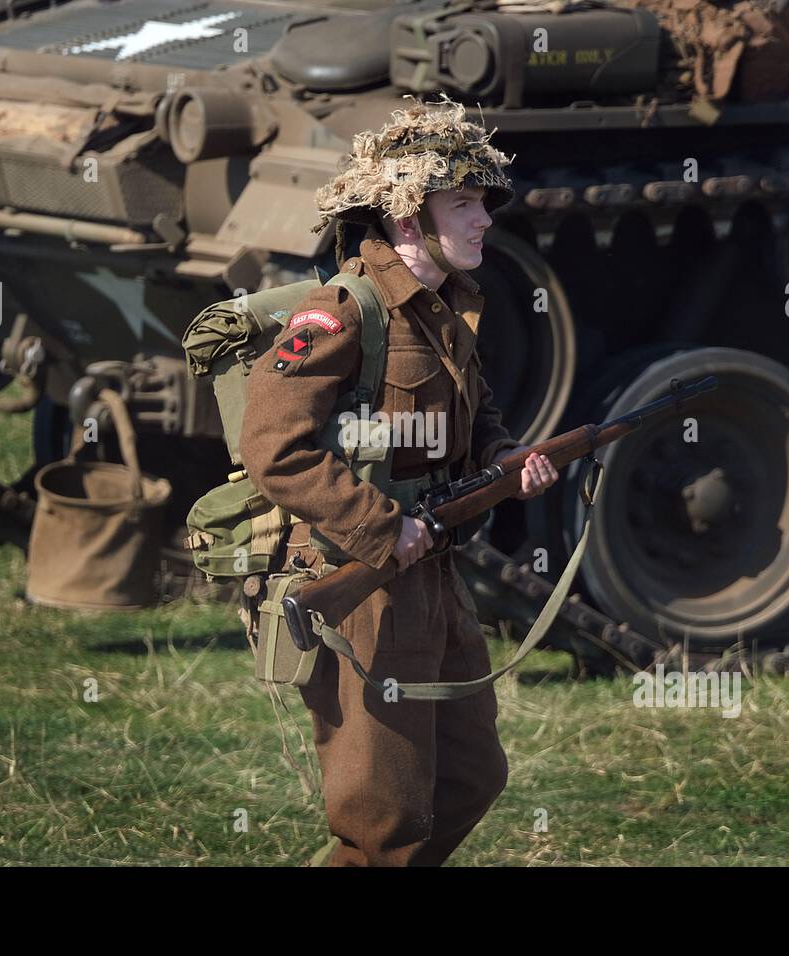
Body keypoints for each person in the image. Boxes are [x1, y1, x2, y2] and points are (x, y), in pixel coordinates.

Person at [238, 96, 557, 867]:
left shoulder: (449, 308)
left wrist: (508, 459)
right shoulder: (342, 314)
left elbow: (477, 418)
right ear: (410, 218)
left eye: (484, 201)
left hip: (434, 578)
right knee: (382, 819)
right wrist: (385, 528)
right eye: (465, 203)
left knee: (472, 778)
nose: (483, 220)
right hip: (364, 585)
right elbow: (271, 448)